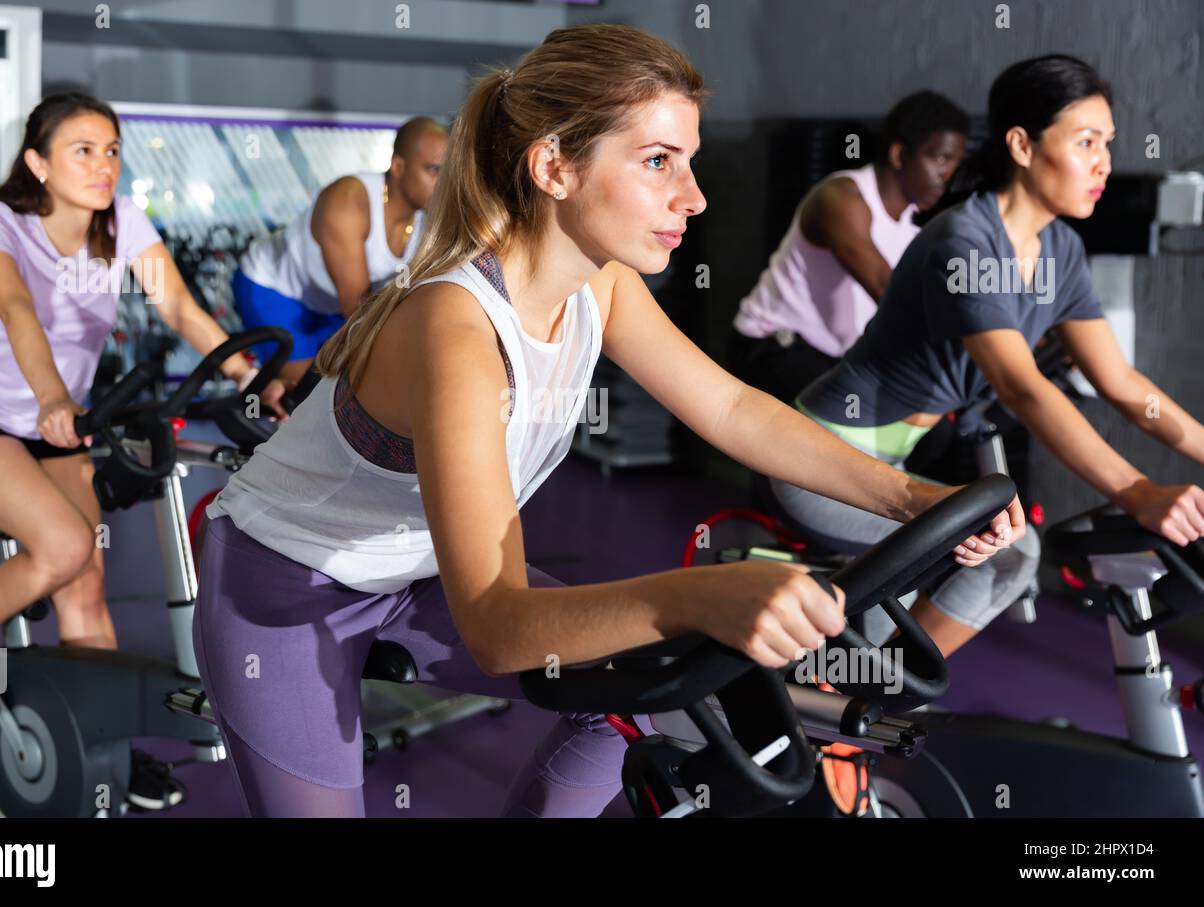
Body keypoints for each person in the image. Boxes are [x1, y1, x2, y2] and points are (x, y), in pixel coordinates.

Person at [192, 23, 1022, 818]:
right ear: (553, 165)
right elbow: (497, 624)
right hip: (285, 586)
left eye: (688, 162)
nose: (692, 196)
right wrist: (705, 595)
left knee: (655, 689)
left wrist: (909, 496)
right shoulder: (456, 331)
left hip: (414, 567)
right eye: (659, 161)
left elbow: (732, 408)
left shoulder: (602, 283)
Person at [0, 92, 286, 810]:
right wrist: (53, 398)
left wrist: (249, 377)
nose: (104, 164)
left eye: (112, 149)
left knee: (85, 578)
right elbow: (17, 309)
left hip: (63, 426)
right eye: (83, 150)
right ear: (38, 163)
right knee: (63, 544)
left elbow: (178, 307)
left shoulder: (121, 224)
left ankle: (103, 743)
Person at [776, 55, 1204, 654]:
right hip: (818, 459)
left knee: (988, 559)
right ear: (1022, 145)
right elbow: (1023, 388)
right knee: (1010, 551)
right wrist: (1140, 492)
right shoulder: (964, 243)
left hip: (887, 467)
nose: (1104, 161)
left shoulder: (1061, 250)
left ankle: (861, 696)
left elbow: (1123, 383)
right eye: (1085, 141)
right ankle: (867, 700)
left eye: (1107, 142)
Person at [730, 91, 968, 404]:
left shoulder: (917, 224)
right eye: (940, 158)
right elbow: (891, 292)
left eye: (955, 163)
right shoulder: (842, 199)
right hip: (775, 346)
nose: (948, 174)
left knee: (933, 426)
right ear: (899, 155)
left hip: (833, 356)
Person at [233, 117, 448, 388]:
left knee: (346, 386)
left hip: (330, 305)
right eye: (433, 170)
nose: (442, 183)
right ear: (398, 166)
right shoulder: (349, 201)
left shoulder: (429, 222)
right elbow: (358, 310)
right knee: (308, 390)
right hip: (273, 288)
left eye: (447, 173)